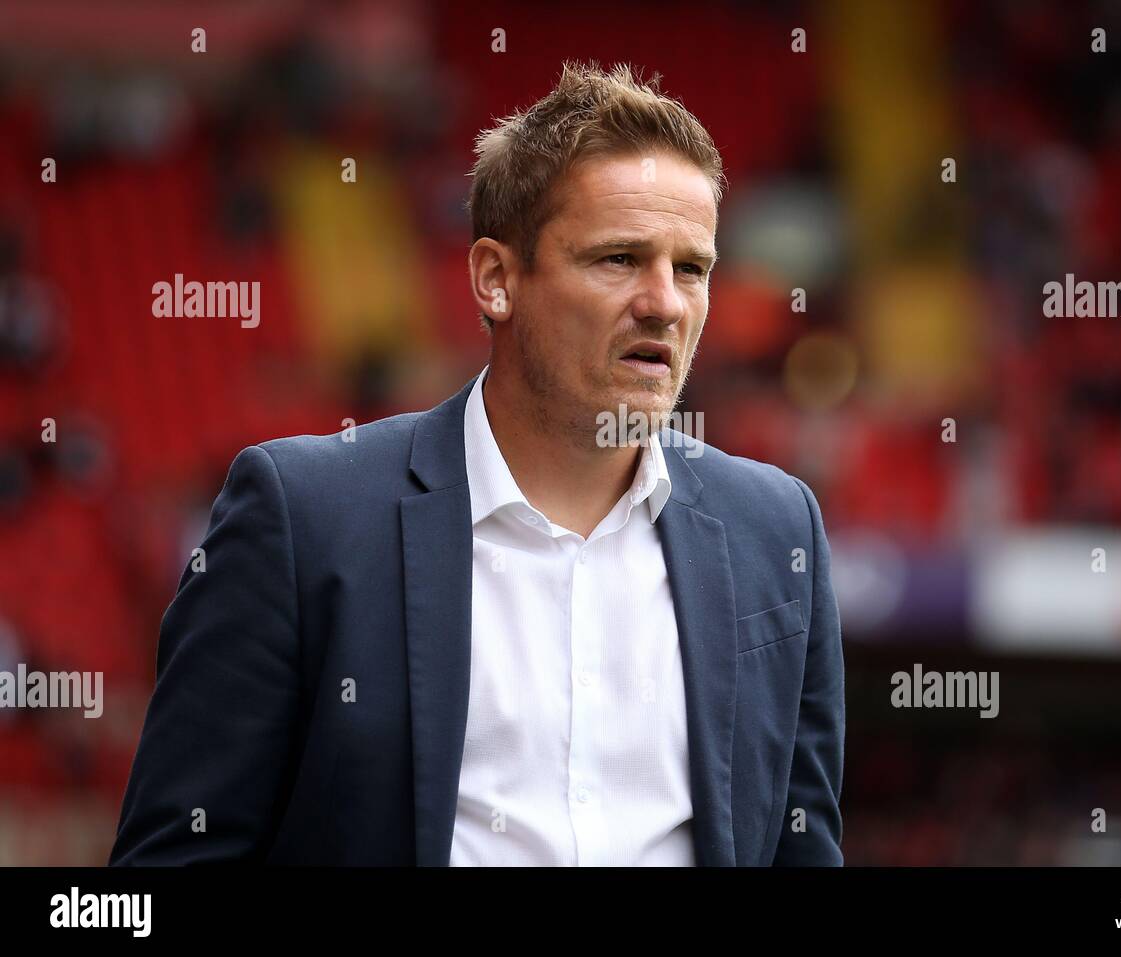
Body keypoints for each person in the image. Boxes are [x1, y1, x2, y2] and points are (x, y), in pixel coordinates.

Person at [110, 61, 844, 866]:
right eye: (619, 259)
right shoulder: (305, 518)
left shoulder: (777, 532)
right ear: (496, 278)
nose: (665, 302)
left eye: (691, 267)